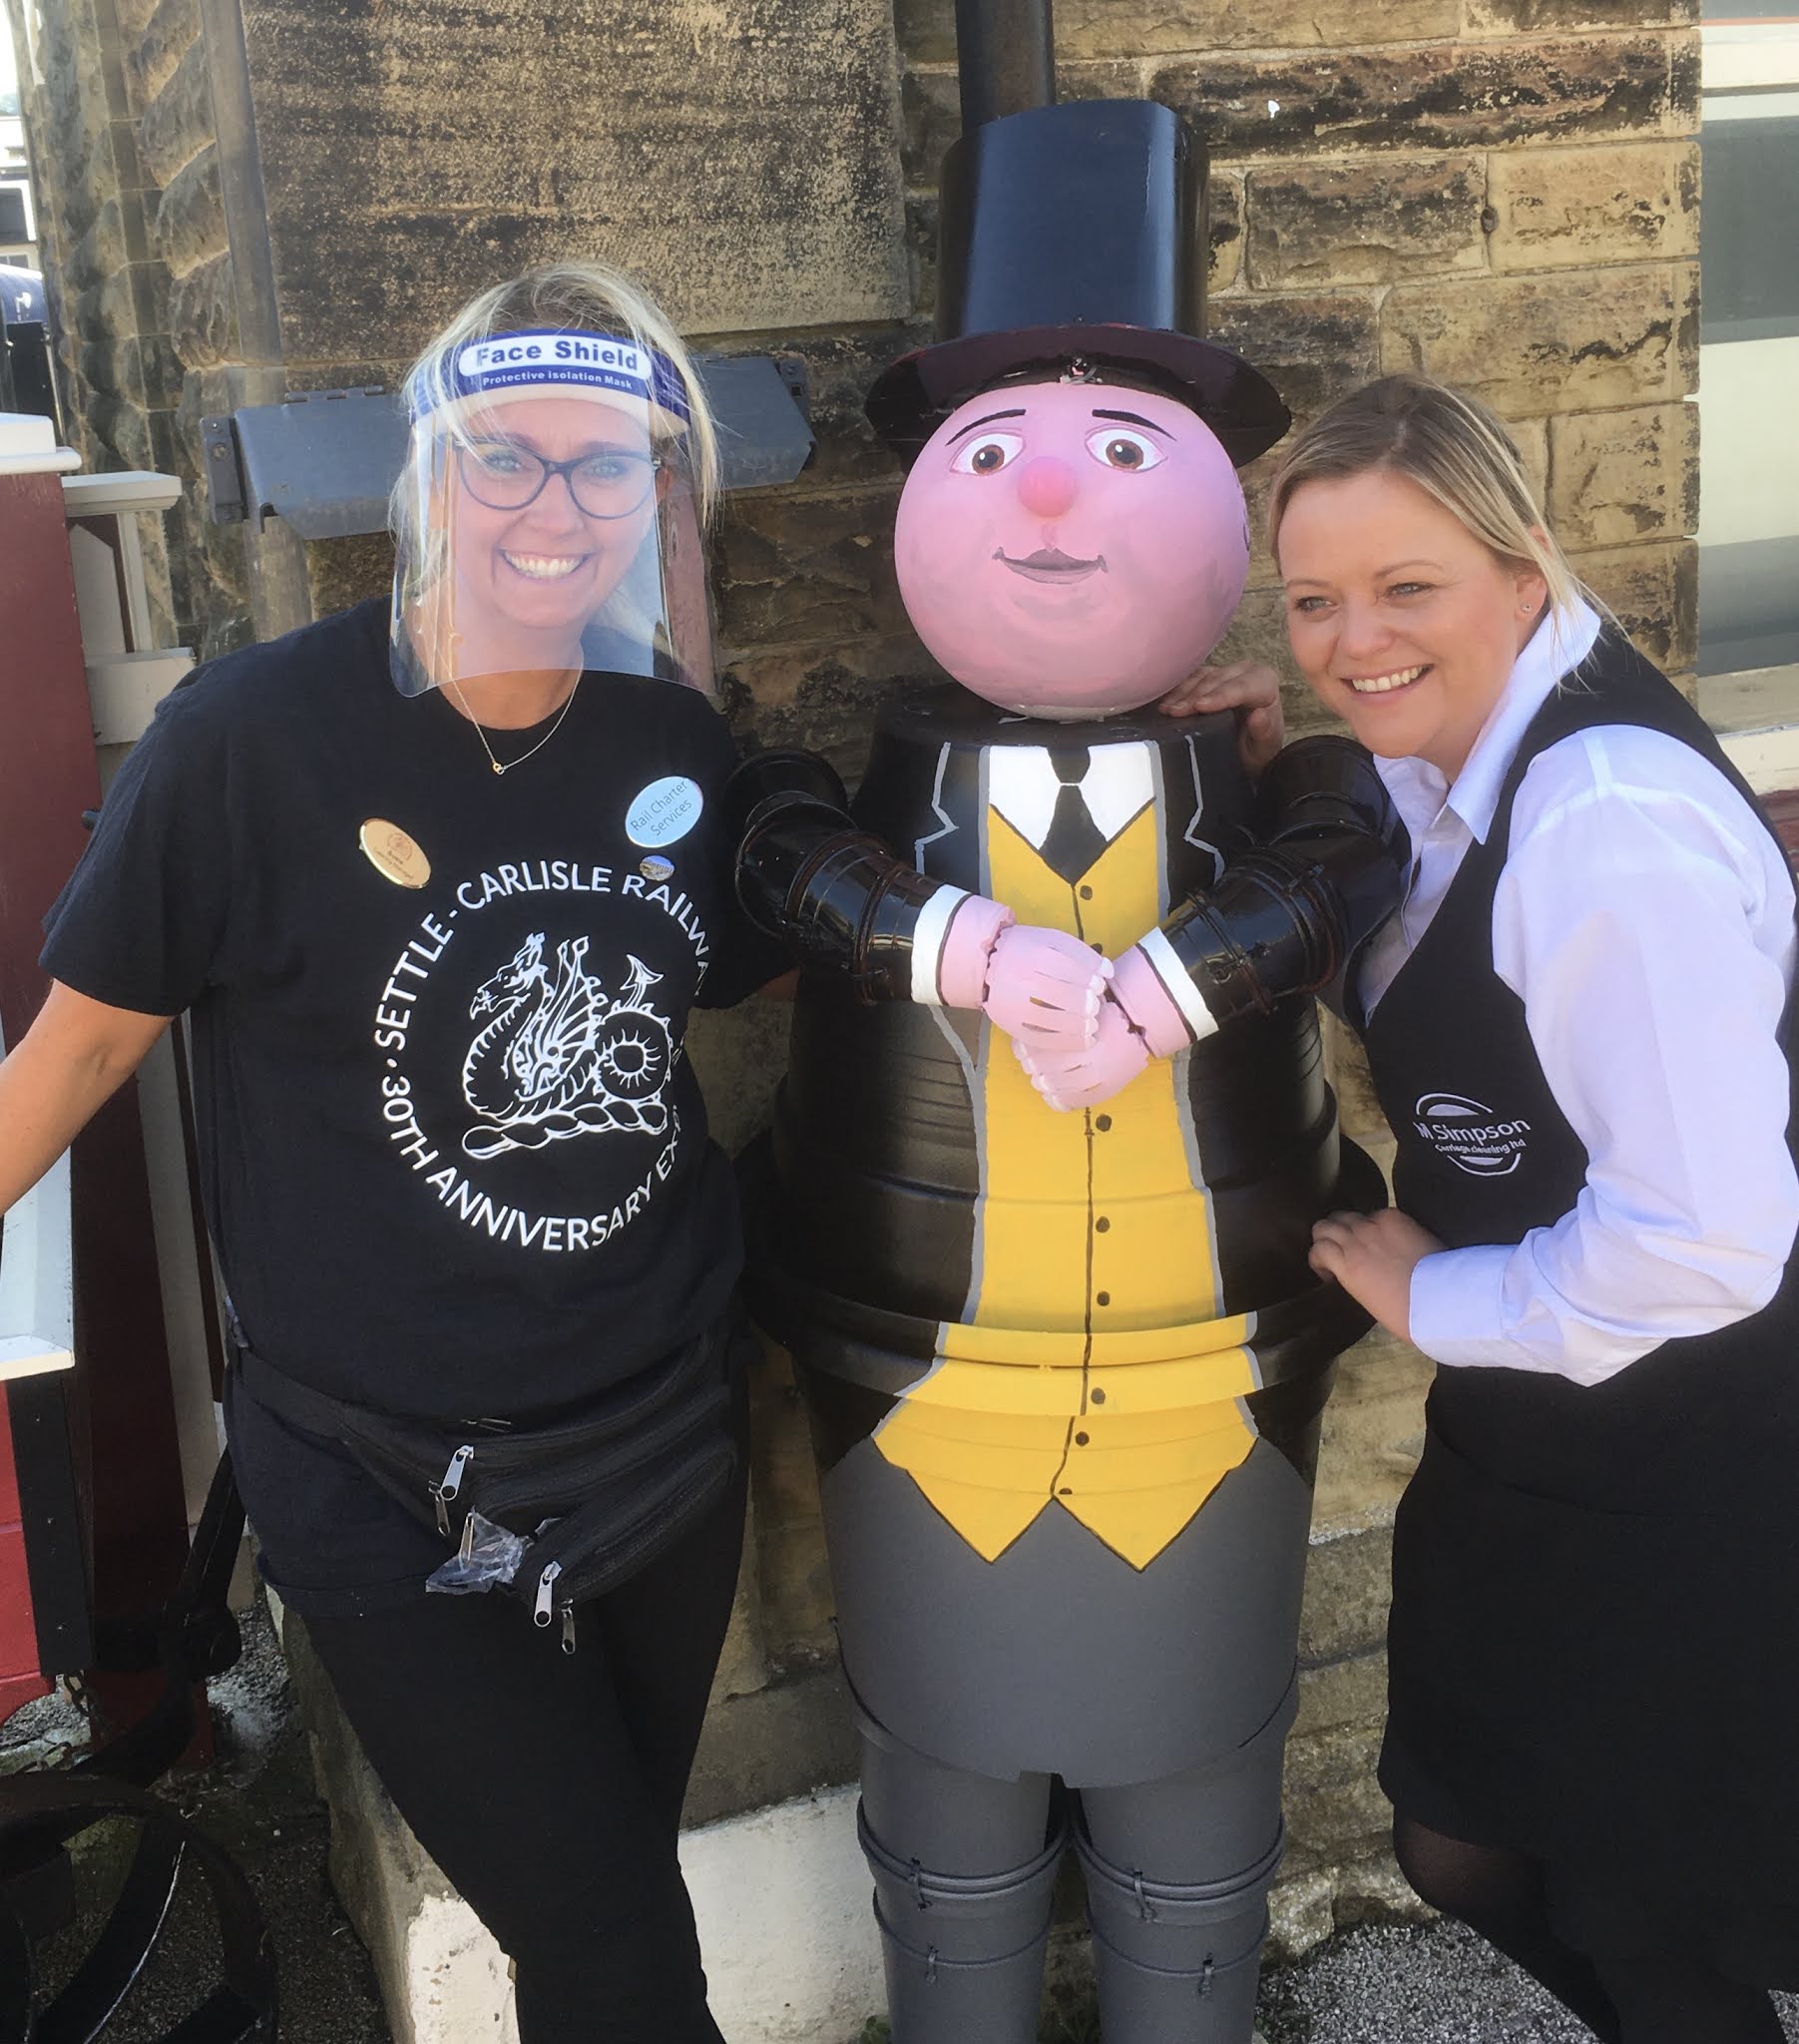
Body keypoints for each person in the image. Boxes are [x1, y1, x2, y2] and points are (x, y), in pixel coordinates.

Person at [0, 260, 794, 2044]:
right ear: (422, 464)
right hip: (386, 1480)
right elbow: (76, 1052)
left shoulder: (673, 738)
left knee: (601, 1906)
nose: (555, 505)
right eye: (506, 453)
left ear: (662, 495)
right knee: (621, 1956)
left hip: (664, 1439)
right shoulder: (246, 741)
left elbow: (764, 949)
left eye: (610, 465)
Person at [1260, 372, 1799, 2043]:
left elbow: (1707, 1237)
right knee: (1466, 1839)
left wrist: (1445, 1306)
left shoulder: (1603, 821)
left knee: (1650, 1916)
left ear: (1526, 570)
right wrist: (1287, 778)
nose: (1354, 640)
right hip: (1552, 1432)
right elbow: (1453, 972)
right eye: (1313, 602)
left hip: (1694, 1440)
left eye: (1406, 588)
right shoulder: (1464, 759)